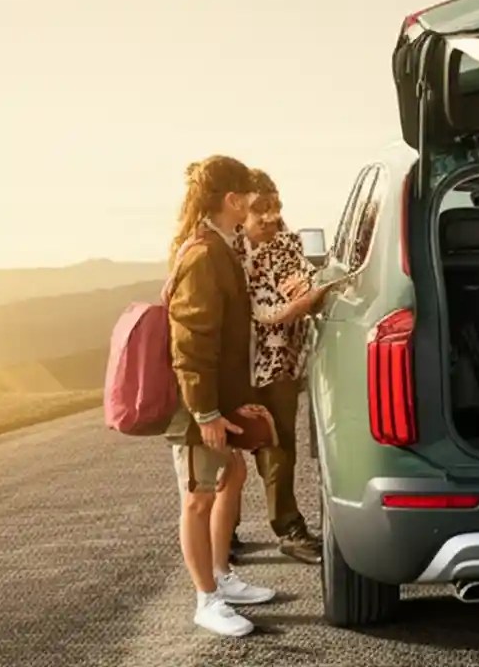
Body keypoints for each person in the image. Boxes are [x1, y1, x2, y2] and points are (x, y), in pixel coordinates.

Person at [166, 155, 276, 637]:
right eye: (249, 196)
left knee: (231, 474)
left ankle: (222, 578)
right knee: (197, 497)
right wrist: (207, 411)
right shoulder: (205, 253)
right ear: (233, 200)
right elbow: (191, 340)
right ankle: (206, 599)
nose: (254, 203)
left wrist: (235, 402)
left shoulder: (218, 246)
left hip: (216, 400)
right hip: (196, 404)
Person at [232, 169, 329, 564]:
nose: (271, 217)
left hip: (278, 366)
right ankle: (225, 532)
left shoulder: (287, 244)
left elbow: (306, 290)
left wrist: (308, 296)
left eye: (276, 206)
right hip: (235, 365)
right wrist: (291, 308)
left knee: (278, 444)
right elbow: (263, 312)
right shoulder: (225, 250)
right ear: (240, 209)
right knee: (225, 452)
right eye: (261, 209)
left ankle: (289, 528)